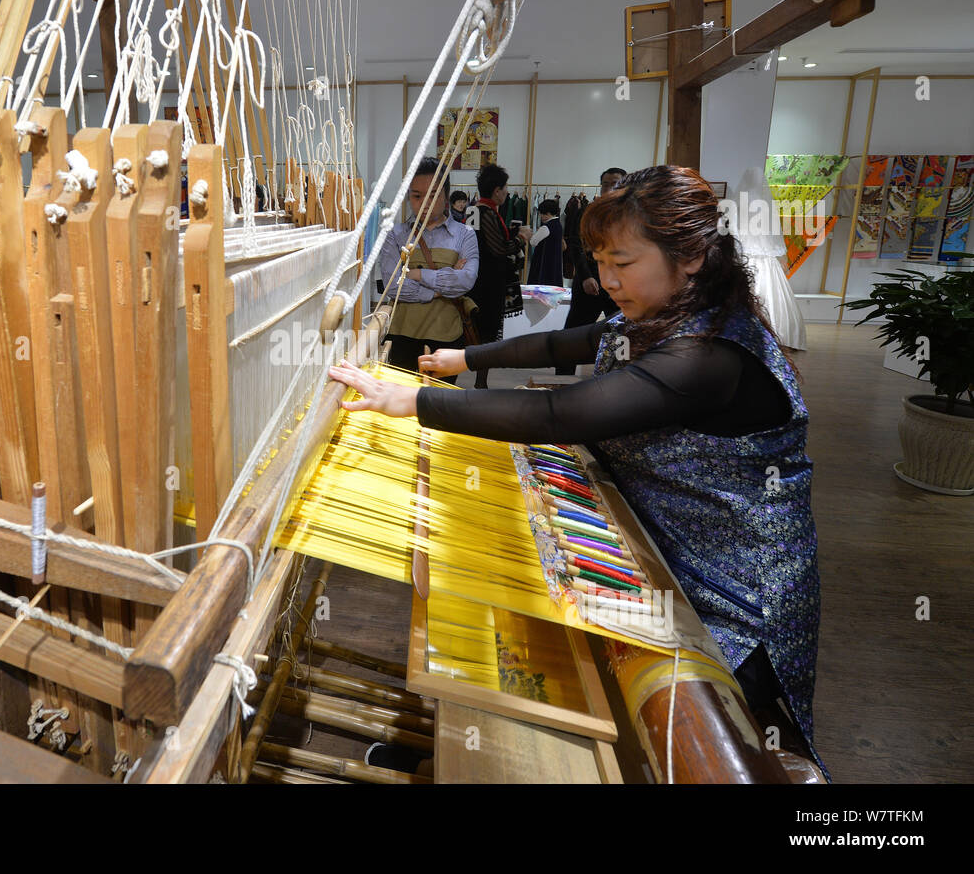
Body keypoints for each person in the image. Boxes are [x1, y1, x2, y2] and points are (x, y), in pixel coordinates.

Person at [331, 165, 825, 773]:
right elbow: (559, 346)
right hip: (674, 540)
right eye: (599, 262)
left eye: (622, 262)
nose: (605, 280)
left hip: (738, 578)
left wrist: (414, 402)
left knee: (724, 739)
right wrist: (463, 356)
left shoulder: (708, 353)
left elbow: (563, 413)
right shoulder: (658, 316)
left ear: (692, 256)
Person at [375, 156, 479, 383]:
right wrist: (439, 290)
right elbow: (393, 286)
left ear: (446, 194)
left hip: (447, 338)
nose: (424, 202)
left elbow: (467, 280)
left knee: (440, 405)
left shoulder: (465, 235)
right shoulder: (396, 235)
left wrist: (416, 274)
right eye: (416, 196)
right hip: (402, 336)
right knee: (401, 407)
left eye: (433, 194)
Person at [555, 167, 625, 374]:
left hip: (619, 286)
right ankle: (562, 380)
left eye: (615, 183)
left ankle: (618, 380)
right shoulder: (587, 211)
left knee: (622, 334)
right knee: (572, 335)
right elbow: (575, 244)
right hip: (589, 282)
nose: (610, 187)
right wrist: (585, 276)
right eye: (606, 183)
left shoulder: (633, 215)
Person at [468, 163, 530, 388]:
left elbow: (479, 242)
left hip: (476, 279)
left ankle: (479, 380)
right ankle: (480, 383)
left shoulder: (474, 209)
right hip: (489, 283)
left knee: (478, 330)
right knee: (487, 332)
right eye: (505, 188)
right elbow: (499, 249)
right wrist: (521, 238)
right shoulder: (488, 213)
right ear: (496, 190)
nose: (507, 192)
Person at [527, 198, 563, 286]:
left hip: (544, 261)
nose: (540, 216)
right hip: (554, 260)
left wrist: (529, 233)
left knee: (540, 285)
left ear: (548, 213)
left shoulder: (546, 227)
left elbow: (533, 242)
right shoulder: (558, 225)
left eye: (541, 213)